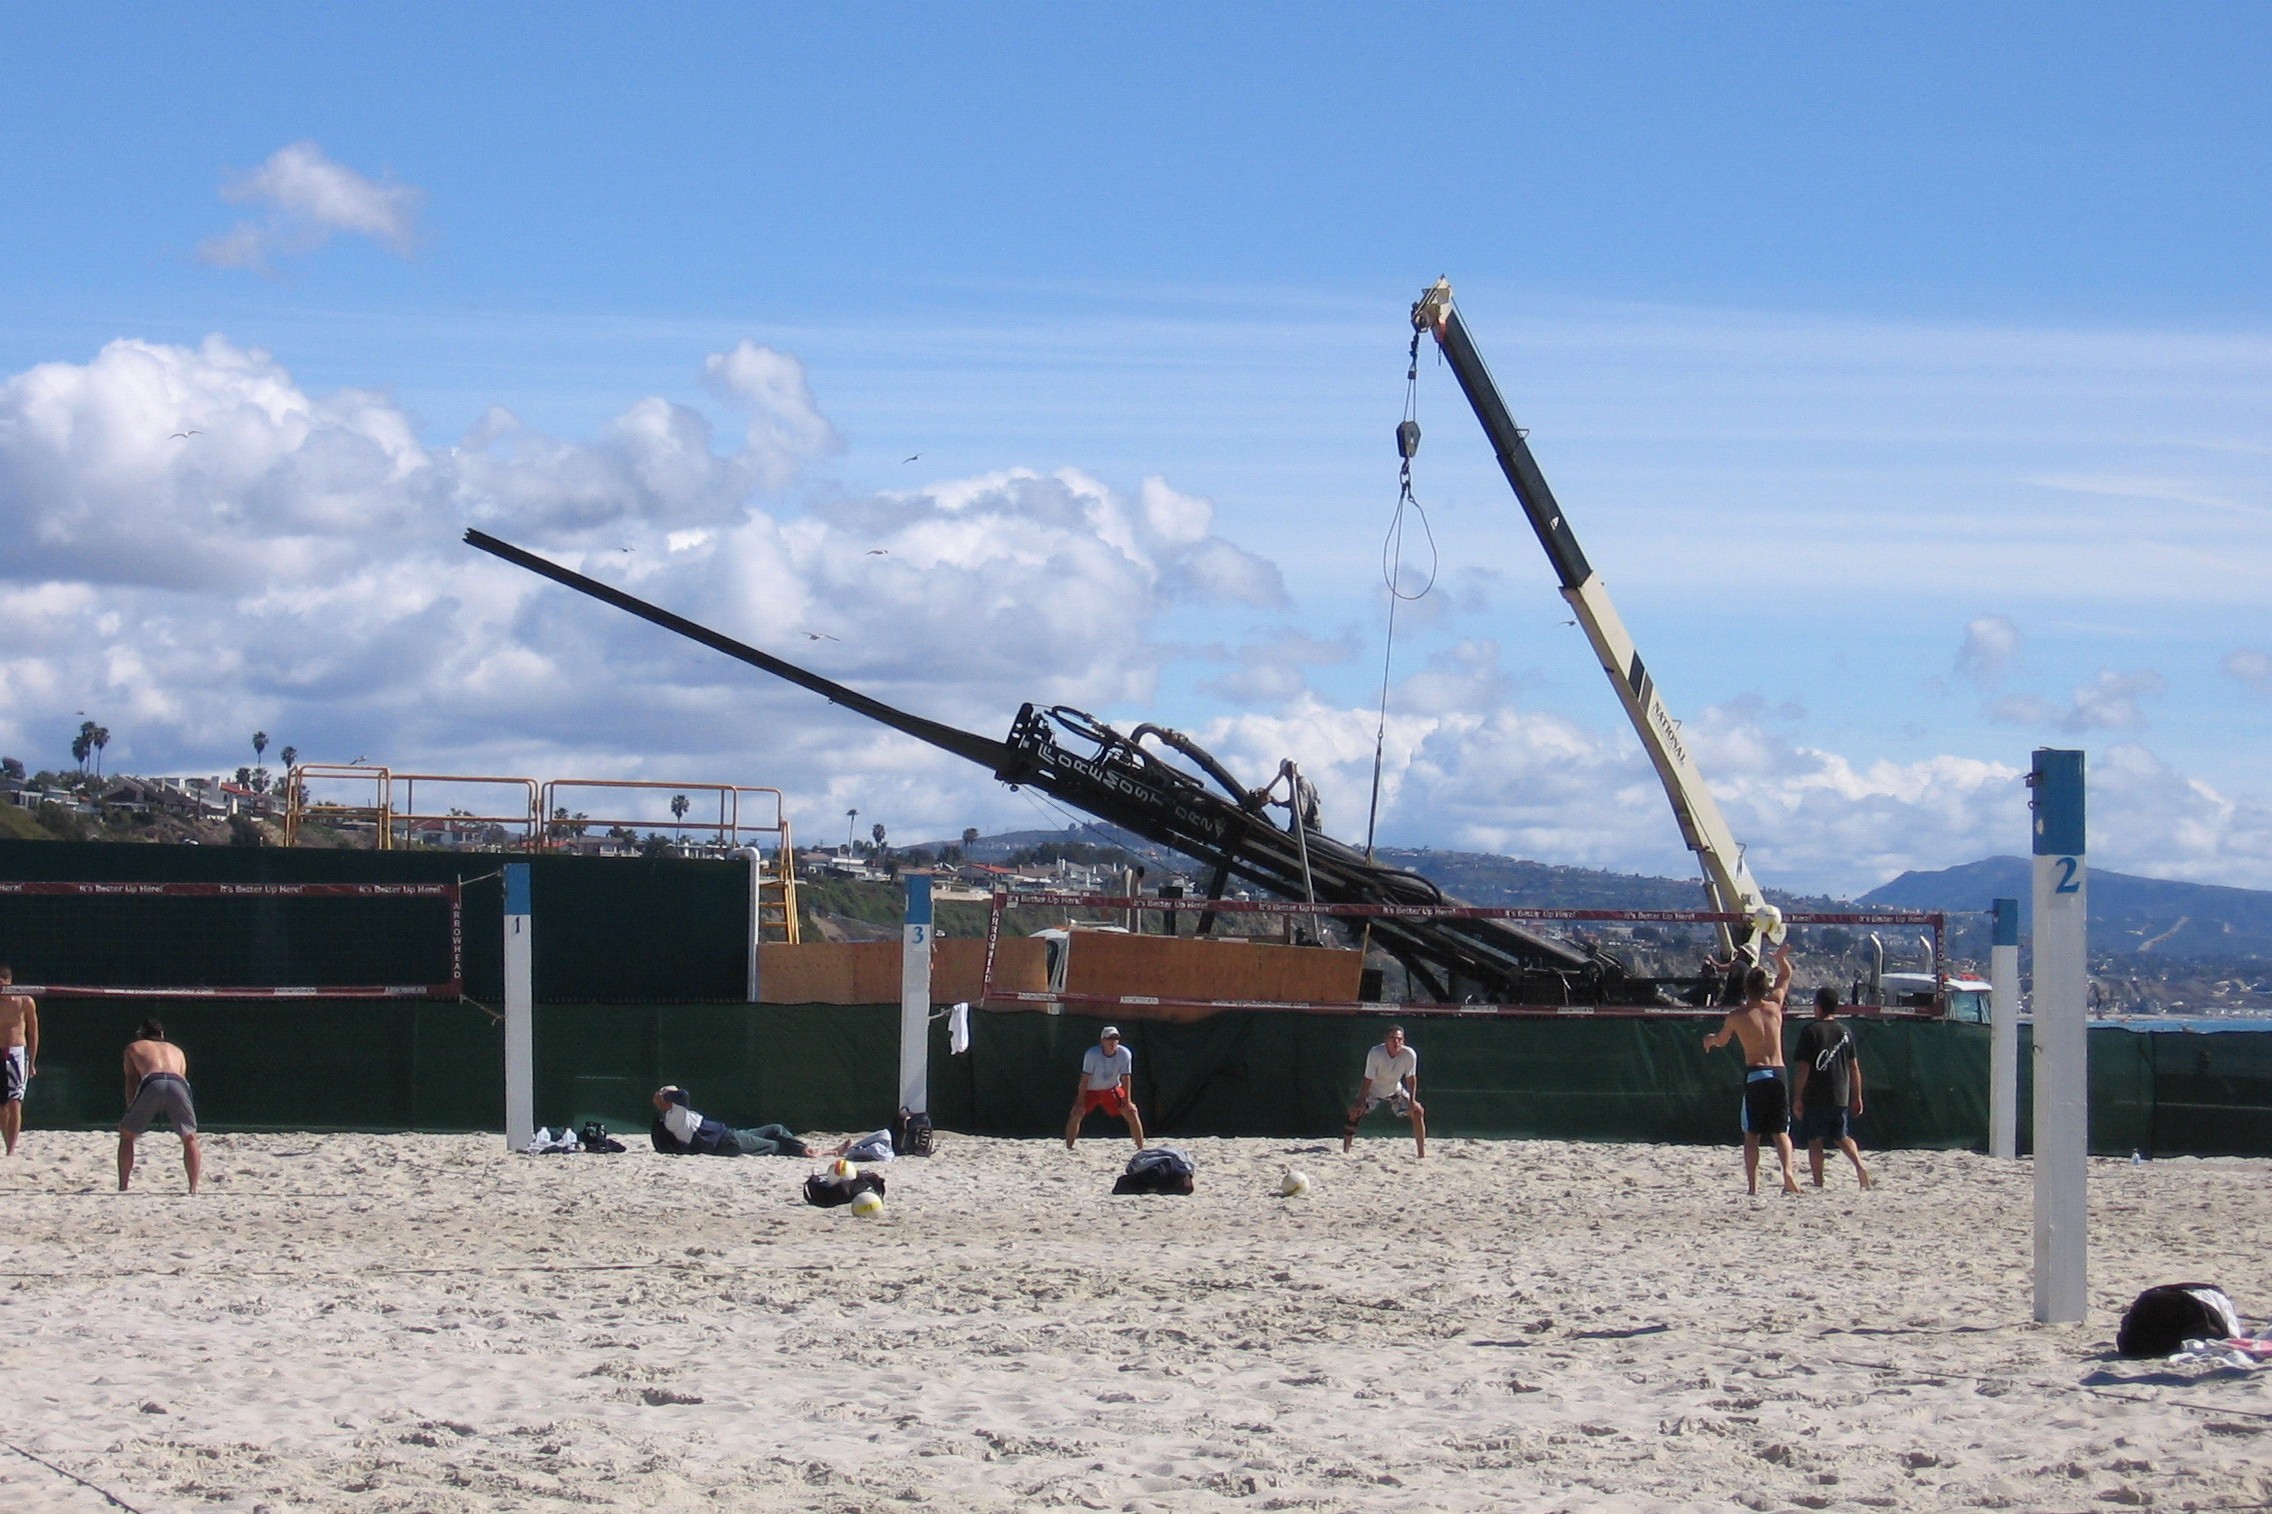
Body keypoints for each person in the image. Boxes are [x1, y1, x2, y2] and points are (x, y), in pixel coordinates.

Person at [1701, 942, 1802, 1195]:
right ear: (1765, 988)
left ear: (1745, 989)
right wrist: (1781, 958)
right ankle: (1788, 1174)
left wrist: (1710, 1040)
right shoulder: (1775, 1007)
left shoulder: (1738, 1015)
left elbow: (1721, 1041)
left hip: (1756, 1074)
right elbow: (1785, 976)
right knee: (1780, 1132)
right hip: (1778, 1073)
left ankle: (1753, 1186)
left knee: (1752, 1134)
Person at [1793, 987, 1872, 1189]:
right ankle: (1860, 1166)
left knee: (1814, 1139)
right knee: (1841, 1136)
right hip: (1840, 1093)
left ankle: (1818, 1182)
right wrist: (1857, 1096)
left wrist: (1797, 1096)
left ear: (1818, 1006)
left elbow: (1804, 1068)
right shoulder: (1845, 1032)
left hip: (1816, 1094)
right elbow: (1854, 1067)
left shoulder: (1811, 1031)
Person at [119, 1019, 200, 1193]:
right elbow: (182, 1079)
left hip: (153, 1081)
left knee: (127, 1134)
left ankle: (123, 1186)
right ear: (162, 1034)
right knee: (189, 1137)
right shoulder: (176, 1050)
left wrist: (130, 1109)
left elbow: (131, 1080)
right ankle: (193, 1188)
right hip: (177, 1083)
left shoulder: (135, 1047)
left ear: (141, 1034)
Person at [648, 1086, 809, 1157]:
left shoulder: (676, 1115)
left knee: (775, 1128)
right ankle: (802, 1152)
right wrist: (662, 1097)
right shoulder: (674, 1118)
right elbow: (683, 1095)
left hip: (729, 1134)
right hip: (726, 1141)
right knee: (773, 1145)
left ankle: (803, 1148)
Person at [1344, 1023, 1426, 1157]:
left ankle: (1421, 1154)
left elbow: (1411, 1078)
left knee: (1418, 1111)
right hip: (1373, 1091)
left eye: (1399, 1039)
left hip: (1394, 1090)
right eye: (1393, 1038)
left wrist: (1412, 1101)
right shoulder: (1376, 1053)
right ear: (1386, 1040)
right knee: (1354, 1112)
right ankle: (1346, 1150)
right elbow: (1367, 1079)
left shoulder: (1409, 1054)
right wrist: (1360, 1101)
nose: (1396, 1042)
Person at [1066, 1025, 1144, 1151]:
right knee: (1076, 1113)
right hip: (1091, 1090)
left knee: (1132, 1112)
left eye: (1115, 1039)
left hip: (1111, 1089)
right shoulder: (1092, 1054)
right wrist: (1080, 1102)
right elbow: (1084, 1079)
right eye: (1109, 1039)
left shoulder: (1124, 1053)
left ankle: (1140, 1148)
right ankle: (1069, 1148)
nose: (1113, 1042)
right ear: (1102, 1040)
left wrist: (1127, 1101)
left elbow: (1126, 1078)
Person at [0, 964, 36, 1157]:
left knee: (15, 1100)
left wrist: (32, 1062)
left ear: (8, 981)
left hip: (16, 1052)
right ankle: (6, 1143)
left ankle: (11, 1150)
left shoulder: (24, 1001)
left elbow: (33, 1033)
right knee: (1, 1105)